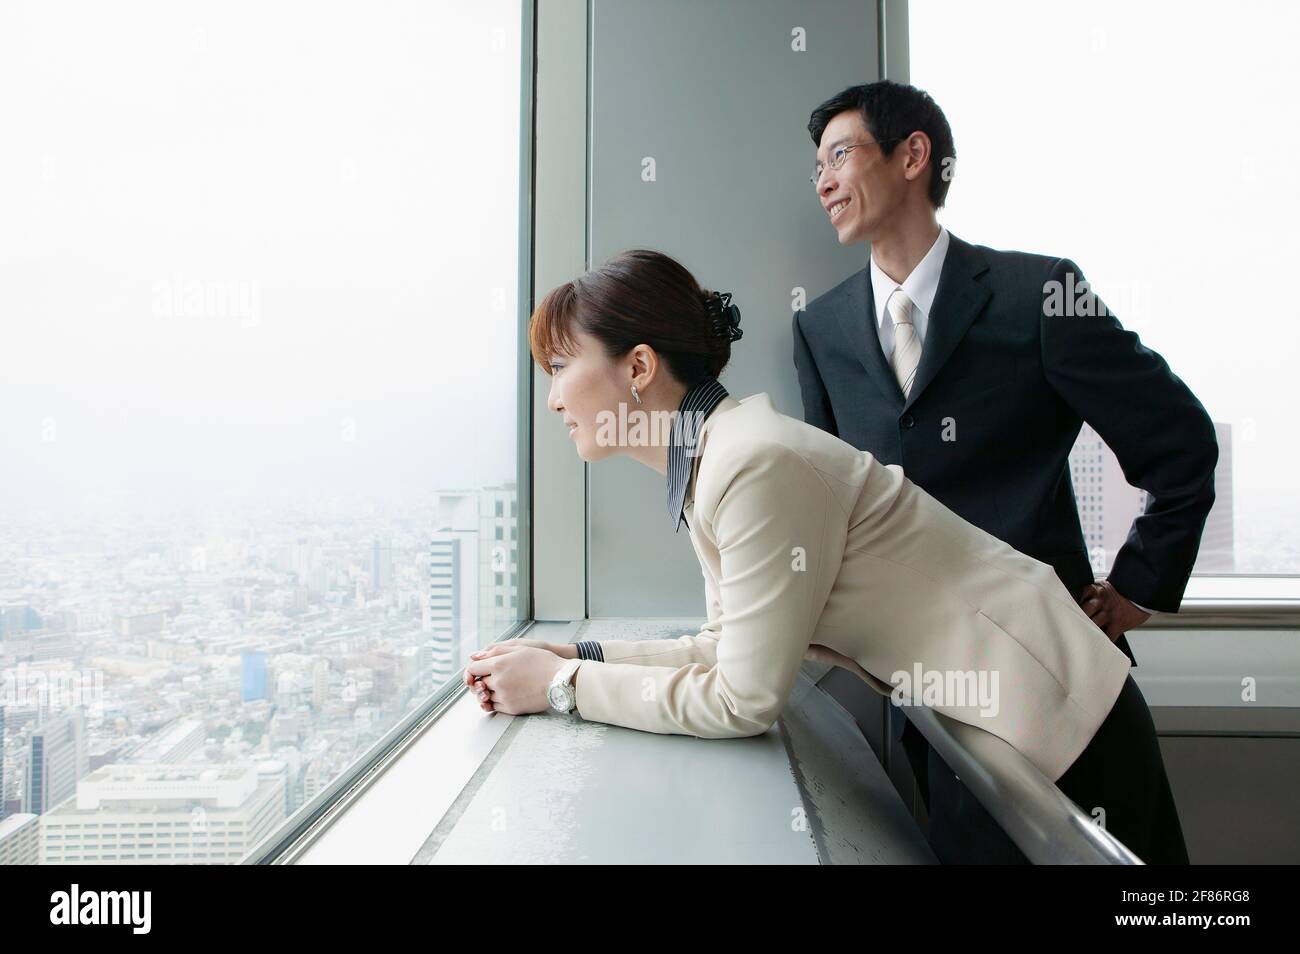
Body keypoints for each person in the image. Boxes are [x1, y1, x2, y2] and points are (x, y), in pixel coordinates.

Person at [464, 247, 1188, 865]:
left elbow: (742, 699)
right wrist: (578, 652)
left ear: (640, 367)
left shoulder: (750, 463)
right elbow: (724, 648)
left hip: (1059, 708)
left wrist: (560, 686)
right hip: (1000, 720)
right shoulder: (722, 454)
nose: (553, 399)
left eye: (559, 366)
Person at [793, 80, 1213, 863]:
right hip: (931, 709)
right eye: (815, 165)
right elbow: (831, 511)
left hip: (1063, 683)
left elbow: (1182, 443)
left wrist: (1138, 589)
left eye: (840, 155)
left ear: (913, 155)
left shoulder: (1039, 295)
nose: (822, 181)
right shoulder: (819, 329)